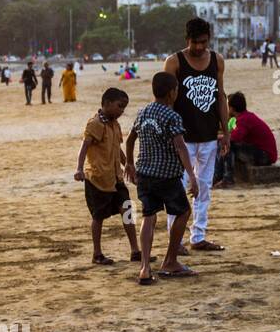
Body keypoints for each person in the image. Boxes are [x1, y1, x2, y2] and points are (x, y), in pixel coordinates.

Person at [125, 72, 199, 285]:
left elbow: (130, 140)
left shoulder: (143, 112)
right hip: (167, 176)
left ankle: (145, 267)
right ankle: (170, 261)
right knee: (183, 211)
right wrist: (192, 176)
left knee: (149, 215)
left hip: (144, 175)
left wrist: (129, 163)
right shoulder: (171, 115)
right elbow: (180, 146)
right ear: (172, 92)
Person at [164, 17, 229, 254]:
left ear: (209, 39)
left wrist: (226, 131)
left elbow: (221, 97)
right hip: (182, 138)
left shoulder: (217, 61)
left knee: (204, 188)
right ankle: (176, 240)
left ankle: (198, 236)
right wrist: (171, 135)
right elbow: (166, 103)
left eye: (203, 42)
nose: (199, 47)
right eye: (195, 42)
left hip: (209, 136)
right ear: (186, 39)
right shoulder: (174, 62)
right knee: (179, 188)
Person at [75, 87, 141, 265]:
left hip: (116, 178)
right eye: (120, 106)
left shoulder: (114, 124)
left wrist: (128, 165)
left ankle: (135, 250)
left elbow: (117, 148)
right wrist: (79, 168)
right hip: (97, 178)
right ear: (108, 103)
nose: (122, 111)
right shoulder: (95, 123)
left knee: (128, 209)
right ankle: (97, 254)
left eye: (124, 108)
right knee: (98, 216)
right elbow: (84, 146)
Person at [219, 92, 277, 184]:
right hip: (264, 153)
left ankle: (228, 178)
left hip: (265, 156)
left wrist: (218, 137)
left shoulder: (244, 119)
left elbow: (234, 138)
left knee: (229, 144)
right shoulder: (246, 116)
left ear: (232, 108)